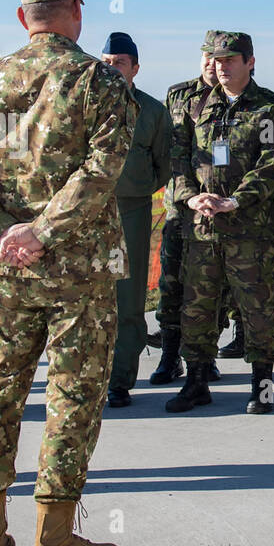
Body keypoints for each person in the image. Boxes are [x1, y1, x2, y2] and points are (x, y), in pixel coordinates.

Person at [0, 0, 136, 546]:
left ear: (23, 18)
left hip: (5, 273)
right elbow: (103, 170)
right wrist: (42, 232)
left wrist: (0, 230)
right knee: (72, 396)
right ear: (76, 11)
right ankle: (54, 542)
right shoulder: (100, 81)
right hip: (77, 273)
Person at [167, 31, 274, 415]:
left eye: (230, 60)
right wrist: (191, 197)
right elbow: (179, 160)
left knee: (256, 308)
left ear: (250, 62)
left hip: (250, 231)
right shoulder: (200, 105)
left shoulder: (267, 107)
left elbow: (273, 162)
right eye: (217, 60)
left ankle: (263, 386)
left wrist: (236, 200)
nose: (221, 67)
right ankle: (197, 381)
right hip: (202, 229)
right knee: (197, 308)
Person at [101, 32, 171, 408]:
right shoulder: (83, 104)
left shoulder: (152, 111)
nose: (112, 69)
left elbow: (162, 164)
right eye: (106, 62)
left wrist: (135, 188)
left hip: (131, 213)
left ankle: (119, 379)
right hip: (87, 214)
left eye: (120, 63)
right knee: (86, 300)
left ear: (135, 68)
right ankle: (85, 377)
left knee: (127, 299)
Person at [155, 31, 222, 385]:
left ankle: (204, 357)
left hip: (216, 210)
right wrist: (187, 194)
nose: (213, 64)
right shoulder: (179, 94)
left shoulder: (235, 96)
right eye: (207, 56)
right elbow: (172, 150)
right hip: (181, 208)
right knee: (171, 284)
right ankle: (170, 355)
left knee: (209, 289)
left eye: (220, 57)